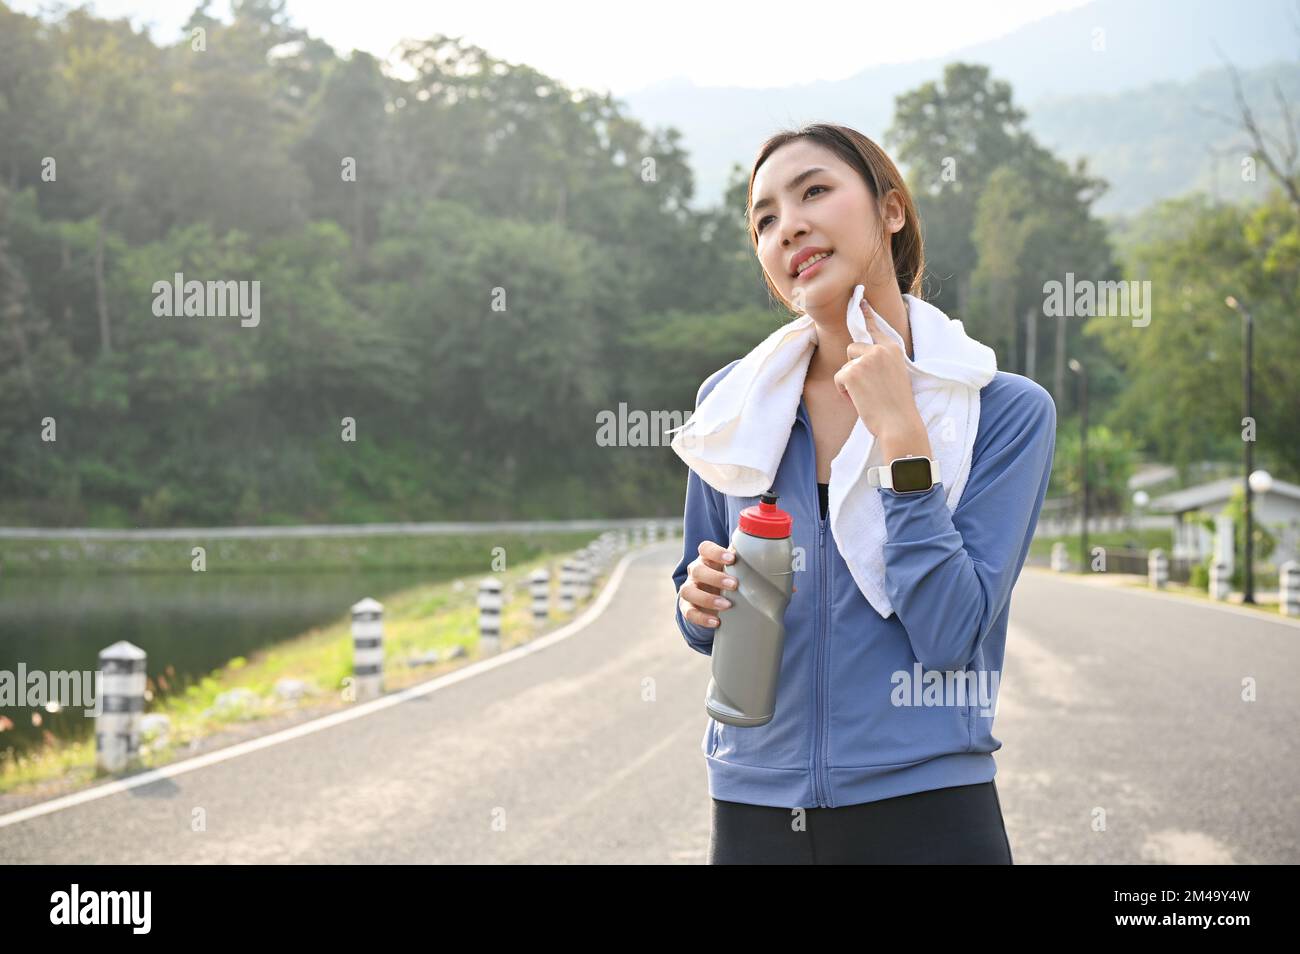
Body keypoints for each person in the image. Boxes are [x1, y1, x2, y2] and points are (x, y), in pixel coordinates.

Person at [671, 123, 1056, 864]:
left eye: (815, 190)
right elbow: (701, 614)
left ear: (891, 210)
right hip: (755, 803)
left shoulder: (1002, 410)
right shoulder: (733, 406)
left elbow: (950, 635)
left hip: (928, 809)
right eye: (765, 219)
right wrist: (697, 601)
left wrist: (903, 439)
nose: (791, 226)